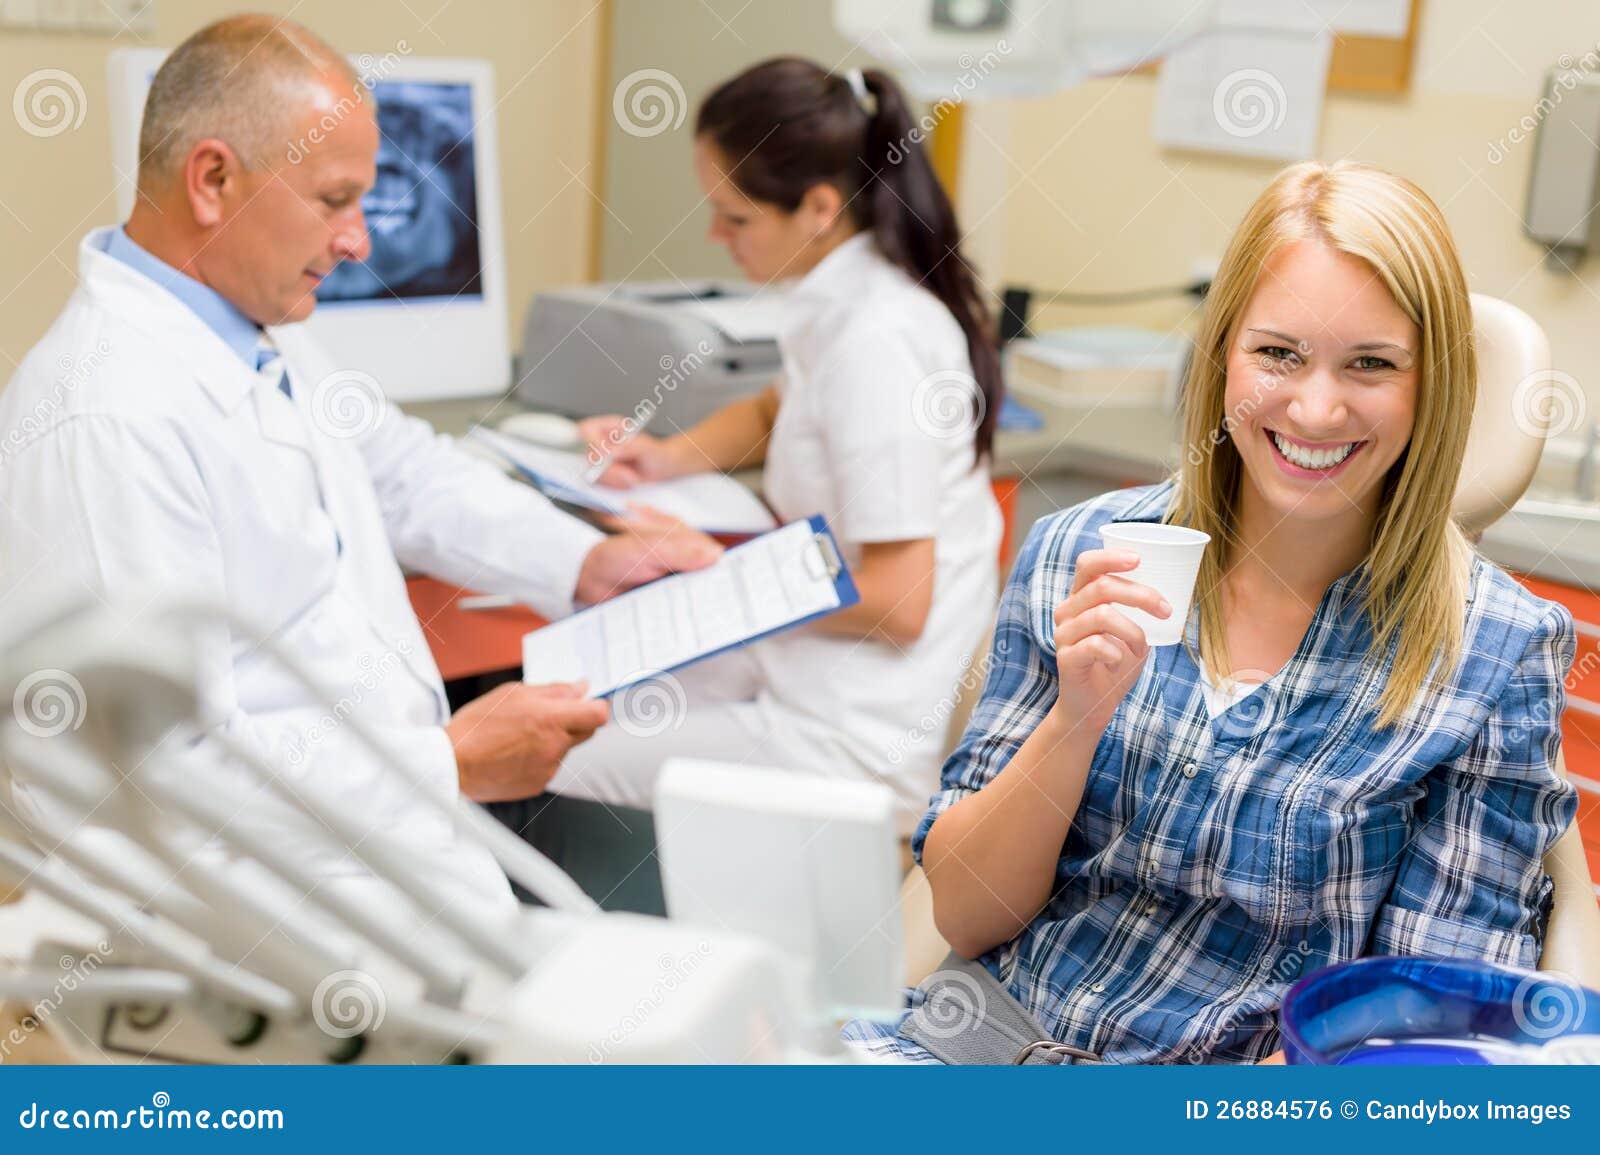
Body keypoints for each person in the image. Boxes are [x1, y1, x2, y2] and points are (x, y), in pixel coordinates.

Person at [845, 161, 1579, 1063]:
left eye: (1372, 365)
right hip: (966, 1054)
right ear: (1223, 352)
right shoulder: (1086, 552)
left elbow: (1408, 1032)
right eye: (1278, 353)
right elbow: (960, 910)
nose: (1315, 406)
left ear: (1434, 386)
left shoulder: (1496, 651)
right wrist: (1075, 721)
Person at [0, 15, 720, 922]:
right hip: (267, 930)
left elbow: (406, 472)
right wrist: (447, 761)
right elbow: (149, 782)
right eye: (335, 200)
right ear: (213, 179)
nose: (359, 243)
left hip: (391, 857)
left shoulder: (260, 335)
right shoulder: (101, 418)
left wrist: (581, 559)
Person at [551, 58, 1004, 829]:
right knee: (568, 680)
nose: (716, 235)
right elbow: (775, 409)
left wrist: (716, 572)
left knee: (549, 742)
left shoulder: (876, 341)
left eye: (736, 217)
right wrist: (662, 456)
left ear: (820, 206)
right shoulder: (845, 297)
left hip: (842, 733)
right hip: (806, 668)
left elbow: (900, 600)